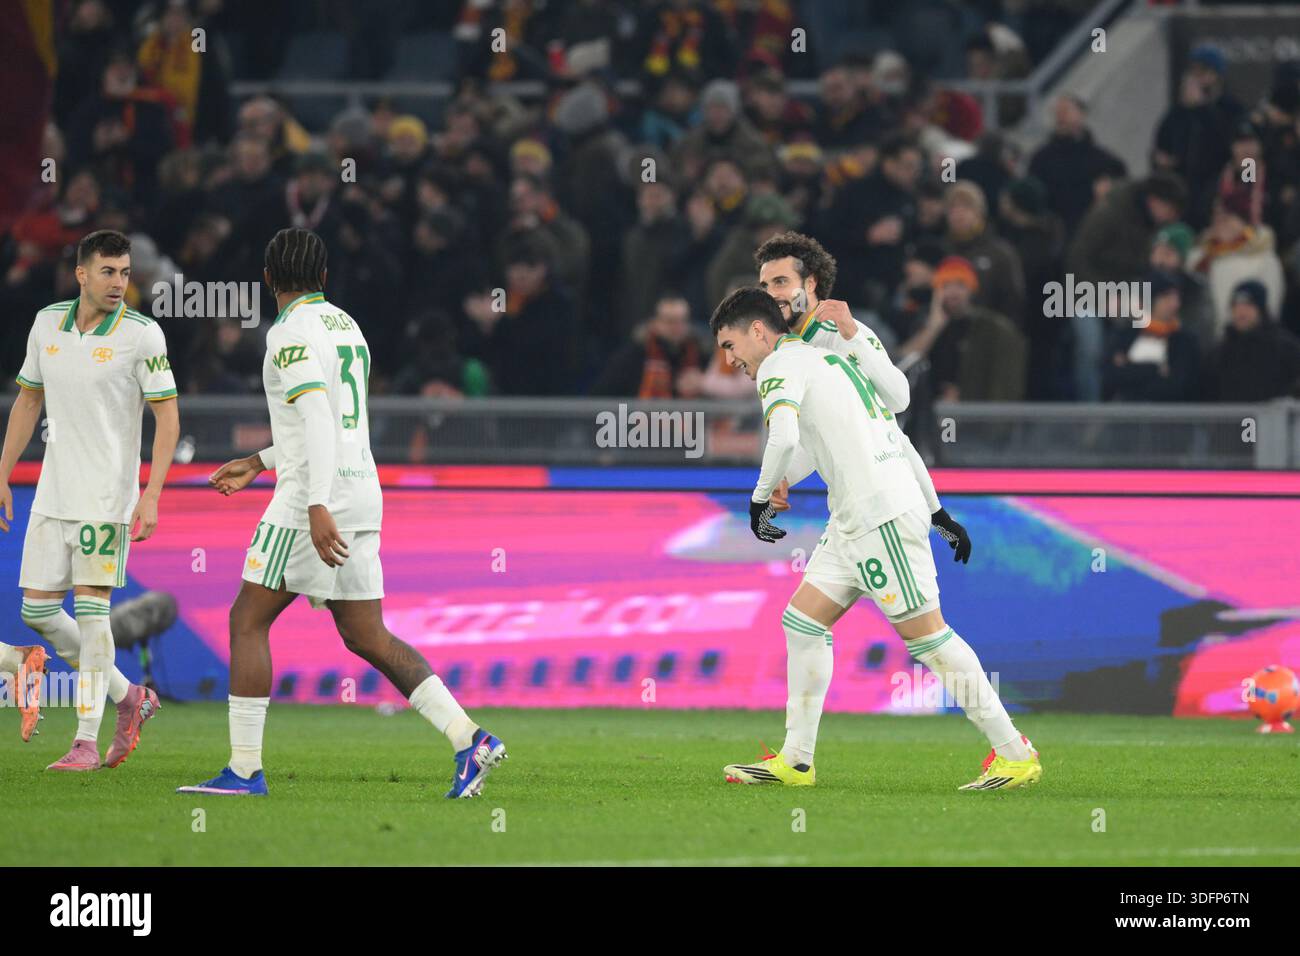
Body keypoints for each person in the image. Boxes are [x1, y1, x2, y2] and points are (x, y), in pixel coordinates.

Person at [178, 228, 505, 798]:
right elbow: (334, 421)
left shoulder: (287, 334)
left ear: (267, 279)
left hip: (313, 498)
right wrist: (259, 459)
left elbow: (321, 422)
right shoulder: (346, 325)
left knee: (247, 620)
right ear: (324, 278)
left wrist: (315, 502)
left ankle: (245, 771)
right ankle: (467, 737)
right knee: (366, 634)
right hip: (363, 491)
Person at [711, 288, 1039, 791]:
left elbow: (782, 438)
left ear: (758, 331)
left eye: (731, 346)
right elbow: (886, 440)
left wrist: (758, 498)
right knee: (802, 622)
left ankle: (1015, 753)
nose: (730, 360)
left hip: (879, 516)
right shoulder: (831, 365)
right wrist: (937, 512)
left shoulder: (779, 367)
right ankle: (796, 760)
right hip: (855, 518)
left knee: (928, 638)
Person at [0, 230, 178, 766]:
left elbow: (167, 417)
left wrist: (150, 494)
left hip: (106, 496)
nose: (119, 282)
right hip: (54, 491)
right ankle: (130, 697)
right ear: (81, 273)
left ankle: (84, 741)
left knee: (93, 612)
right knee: (37, 609)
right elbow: (28, 402)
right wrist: (3, 472)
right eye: (108, 272)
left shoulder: (143, 335)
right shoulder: (46, 323)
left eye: (125, 272)